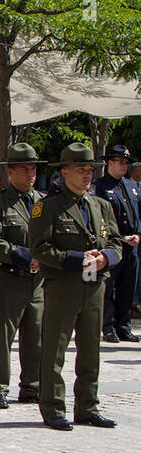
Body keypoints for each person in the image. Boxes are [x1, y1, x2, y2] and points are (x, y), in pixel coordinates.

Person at [31, 143, 123, 431]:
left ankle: (88, 407)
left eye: (90, 170)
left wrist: (104, 257)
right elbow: (40, 248)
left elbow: (116, 244)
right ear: (64, 171)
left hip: (95, 286)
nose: (87, 175)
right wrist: (76, 259)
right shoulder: (47, 206)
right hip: (63, 285)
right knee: (55, 350)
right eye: (81, 170)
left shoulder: (100, 205)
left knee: (90, 349)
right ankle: (53, 407)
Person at [0, 143, 44, 409]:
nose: (30, 174)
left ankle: (32, 386)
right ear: (11, 172)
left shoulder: (43, 201)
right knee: (2, 336)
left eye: (33, 169)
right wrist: (25, 256)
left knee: (36, 334)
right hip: (10, 275)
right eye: (24, 169)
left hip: (39, 279)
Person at [93, 143, 140, 343]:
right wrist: (119, 238)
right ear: (110, 163)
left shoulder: (131, 185)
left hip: (133, 245)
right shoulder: (101, 186)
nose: (124, 166)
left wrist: (138, 233)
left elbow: (138, 213)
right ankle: (108, 326)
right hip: (113, 245)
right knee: (109, 287)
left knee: (128, 287)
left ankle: (124, 325)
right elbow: (100, 218)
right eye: (121, 162)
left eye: (126, 163)